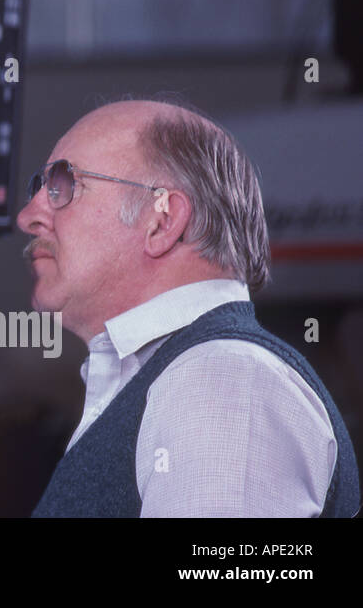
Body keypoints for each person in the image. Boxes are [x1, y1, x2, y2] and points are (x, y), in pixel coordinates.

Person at [18, 98, 359, 517]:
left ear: (162, 221)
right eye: (40, 187)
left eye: (64, 185)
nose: (29, 216)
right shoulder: (185, 377)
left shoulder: (221, 381)